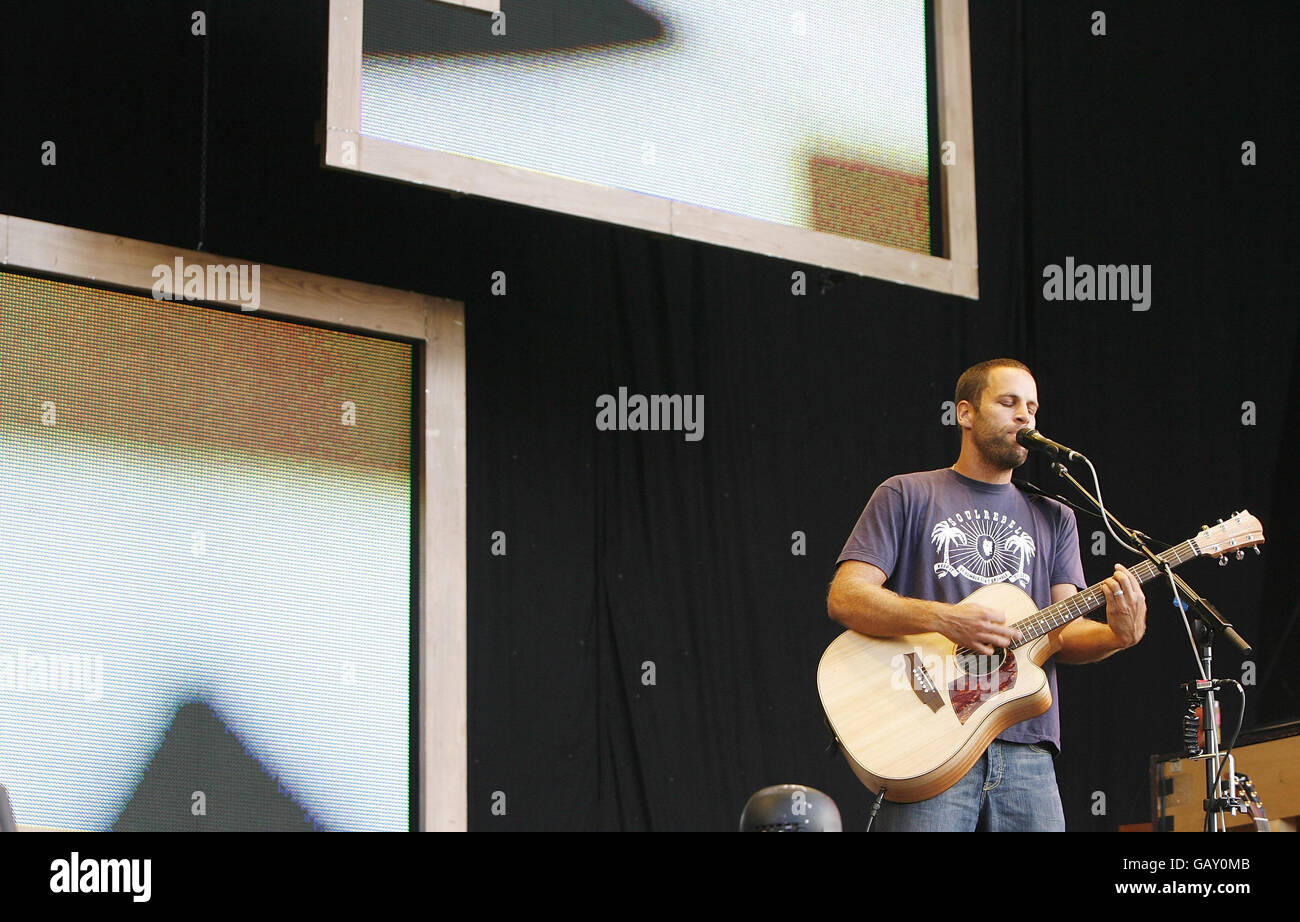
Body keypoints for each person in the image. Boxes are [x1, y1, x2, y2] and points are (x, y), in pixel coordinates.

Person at [825, 358, 1147, 831]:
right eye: (1008, 402)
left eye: (1032, 408)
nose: (1025, 417)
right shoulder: (906, 494)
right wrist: (944, 619)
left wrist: (1118, 636)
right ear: (965, 413)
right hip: (926, 737)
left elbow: (1062, 633)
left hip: (1026, 750)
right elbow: (847, 597)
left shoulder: (1055, 516)